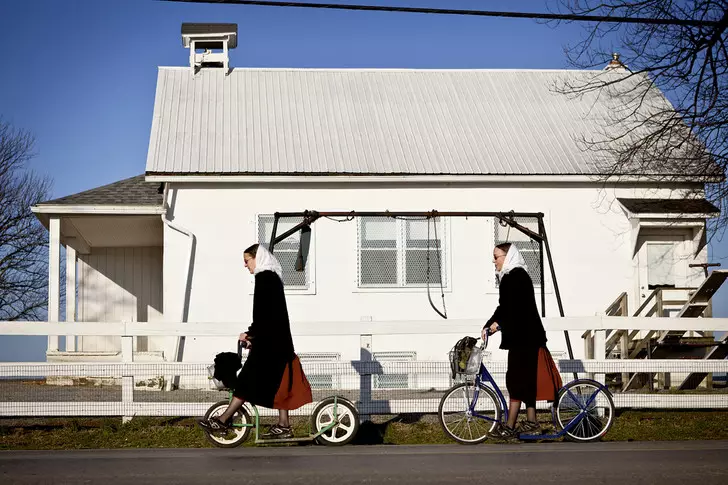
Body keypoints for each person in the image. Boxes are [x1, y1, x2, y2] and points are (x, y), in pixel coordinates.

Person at [199, 244, 313, 439]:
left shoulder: (264, 278)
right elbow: (271, 315)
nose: (245, 265)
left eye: (247, 261)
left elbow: (263, 315)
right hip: (277, 342)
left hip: (270, 345)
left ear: (256, 258)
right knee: (282, 382)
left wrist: (250, 335)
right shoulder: (273, 277)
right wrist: (255, 335)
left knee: (246, 380)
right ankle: (284, 425)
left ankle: (223, 420)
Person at [482, 243, 562, 440]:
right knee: (524, 381)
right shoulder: (512, 276)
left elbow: (514, 309)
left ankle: (510, 426)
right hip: (523, 337)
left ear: (508, 256)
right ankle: (532, 422)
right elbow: (505, 307)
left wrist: (496, 324)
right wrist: (489, 325)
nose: (494, 261)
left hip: (525, 338)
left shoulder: (516, 276)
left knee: (517, 381)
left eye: (496, 256)